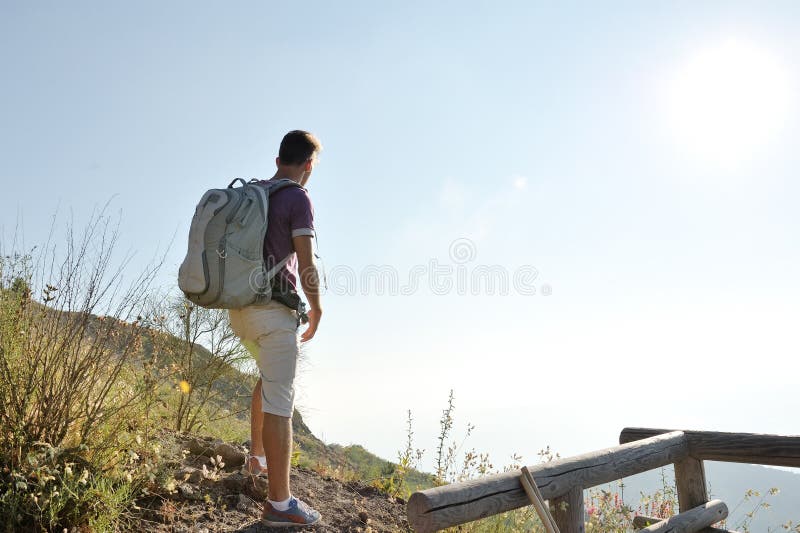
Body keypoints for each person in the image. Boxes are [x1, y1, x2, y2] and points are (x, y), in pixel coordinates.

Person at [228, 130, 323, 526]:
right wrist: (316, 308)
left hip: (239, 311)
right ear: (308, 165)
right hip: (273, 311)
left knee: (267, 379)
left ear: (277, 159)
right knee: (281, 403)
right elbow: (306, 264)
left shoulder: (255, 194)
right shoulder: (297, 197)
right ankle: (280, 505)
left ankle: (257, 458)